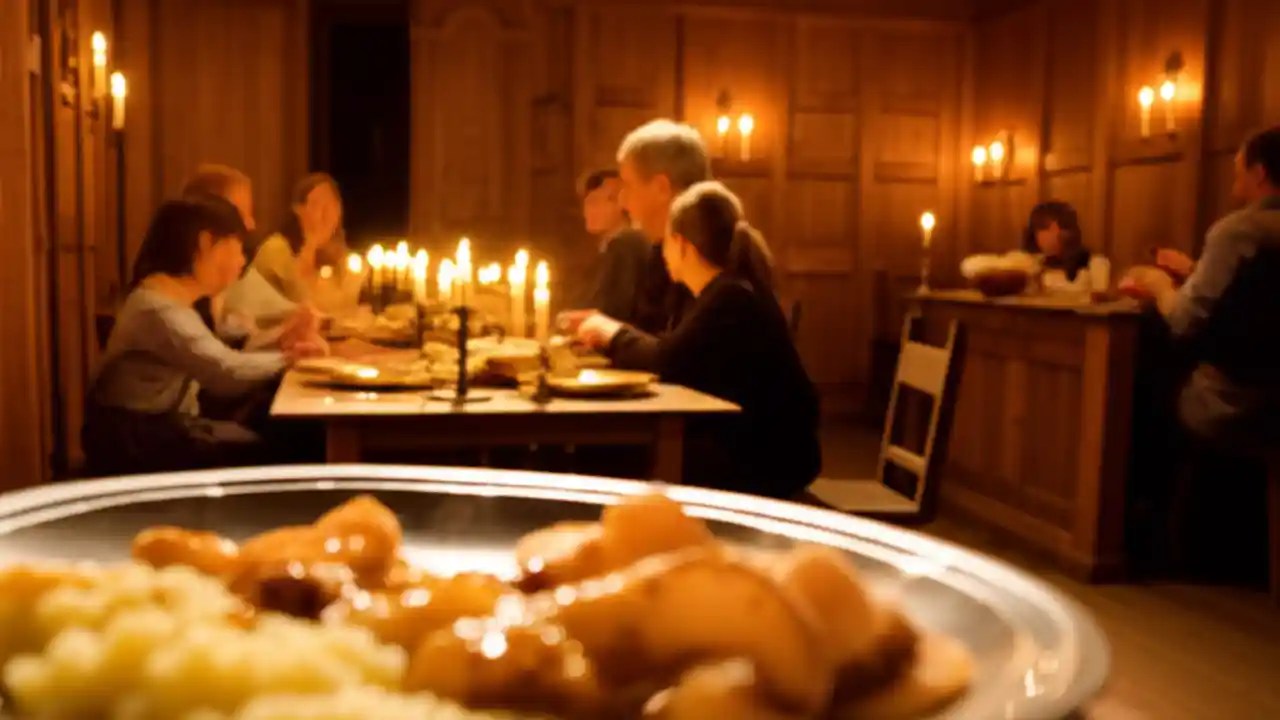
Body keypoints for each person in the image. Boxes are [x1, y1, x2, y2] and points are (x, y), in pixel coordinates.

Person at [575, 181, 821, 498]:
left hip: (762, 456)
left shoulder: (731, 297)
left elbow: (667, 361)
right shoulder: (713, 293)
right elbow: (675, 351)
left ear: (681, 244)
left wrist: (610, 332)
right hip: (740, 441)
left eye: (665, 241)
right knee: (610, 457)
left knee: (610, 459)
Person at [83, 196, 319, 476]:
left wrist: (283, 341)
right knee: (291, 446)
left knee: (281, 430)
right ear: (207, 243)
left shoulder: (168, 298)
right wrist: (290, 359)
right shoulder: (157, 308)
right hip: (139, 440)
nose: (242, 261)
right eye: (238, 248)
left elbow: (221, 354)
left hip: (155, 430)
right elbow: (225, 372)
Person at [1123, 126, 1280, 453]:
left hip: (1229, 400)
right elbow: (1254, 298)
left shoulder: (1238, 230)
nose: (1234, 174)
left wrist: (1159, 285)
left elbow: (1184, 319)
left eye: (1239, 166)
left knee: (1141, 373)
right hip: (1272, 393)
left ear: (1260, 172)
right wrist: (1196, 270)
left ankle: (1147, 497)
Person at [569, 168, 652, 324]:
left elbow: (615, 312)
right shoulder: (605, 251)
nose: (590, 208)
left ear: (624, 203)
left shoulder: (627, 245)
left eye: (604, 200)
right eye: (588, 201)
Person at [251, 173, 345, 304]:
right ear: (298, 210)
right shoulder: (276, 249)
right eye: (317, 205)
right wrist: (310, 245)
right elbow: (301, 302)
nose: (327, 214)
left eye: (333, 205)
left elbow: (341, 304)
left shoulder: (337, 255)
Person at [1023, 200, 1091, 283]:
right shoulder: (1032, 263)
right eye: (1038, 229)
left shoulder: (1094, 265)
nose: (1040, 236)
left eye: (1045, 228)